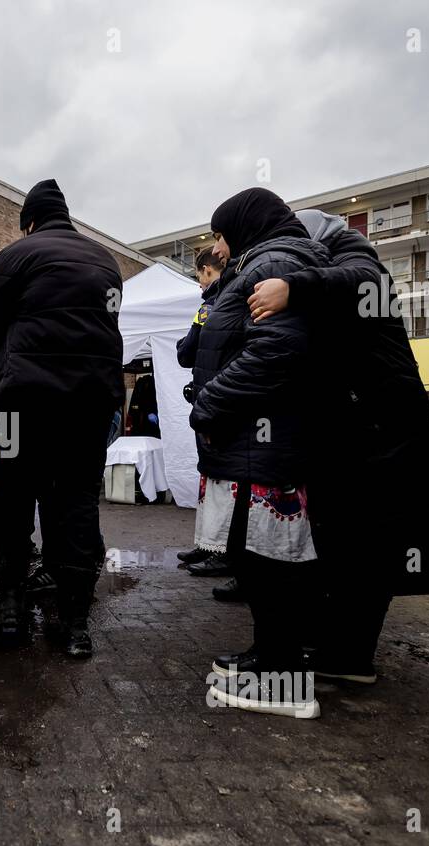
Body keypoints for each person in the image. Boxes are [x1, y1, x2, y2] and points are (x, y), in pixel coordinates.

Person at [244, 208, 429, 684]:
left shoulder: (357, 260)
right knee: (353, 540)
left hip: (380, 429)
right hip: (367, 426)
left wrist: (293, 286)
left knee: (368, 542)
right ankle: (340, 650)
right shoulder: (337, 267)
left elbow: (361, 280)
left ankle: (348, 657)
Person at [189, 187, 328, 718]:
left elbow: (276, 352)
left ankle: (283, 679)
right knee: (261, 558)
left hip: (260, 439)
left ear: (242, 229)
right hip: (255, 440)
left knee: (272, 562)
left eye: (220, 237)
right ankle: (269, 655)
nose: (217, 251)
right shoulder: (269, 261)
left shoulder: (271, 263)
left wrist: (210, 404)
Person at [0, 178, 124, 658]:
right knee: (76, 506)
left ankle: (12, 609)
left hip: (24, 404)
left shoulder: (16, 256)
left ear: (29, 222)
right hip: (88, 406)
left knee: (13, 500)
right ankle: (75, 621)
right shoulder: (106, 262)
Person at [177, 245, 242, 600]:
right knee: (213, 477)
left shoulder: (212, 304)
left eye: (198, 275)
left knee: (223, 479)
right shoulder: (226, 297)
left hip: (217, 400)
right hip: (211, 399)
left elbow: (186, 351)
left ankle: (222, 552)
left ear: (205, 270)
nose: (199, 283)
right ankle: (210, 546)